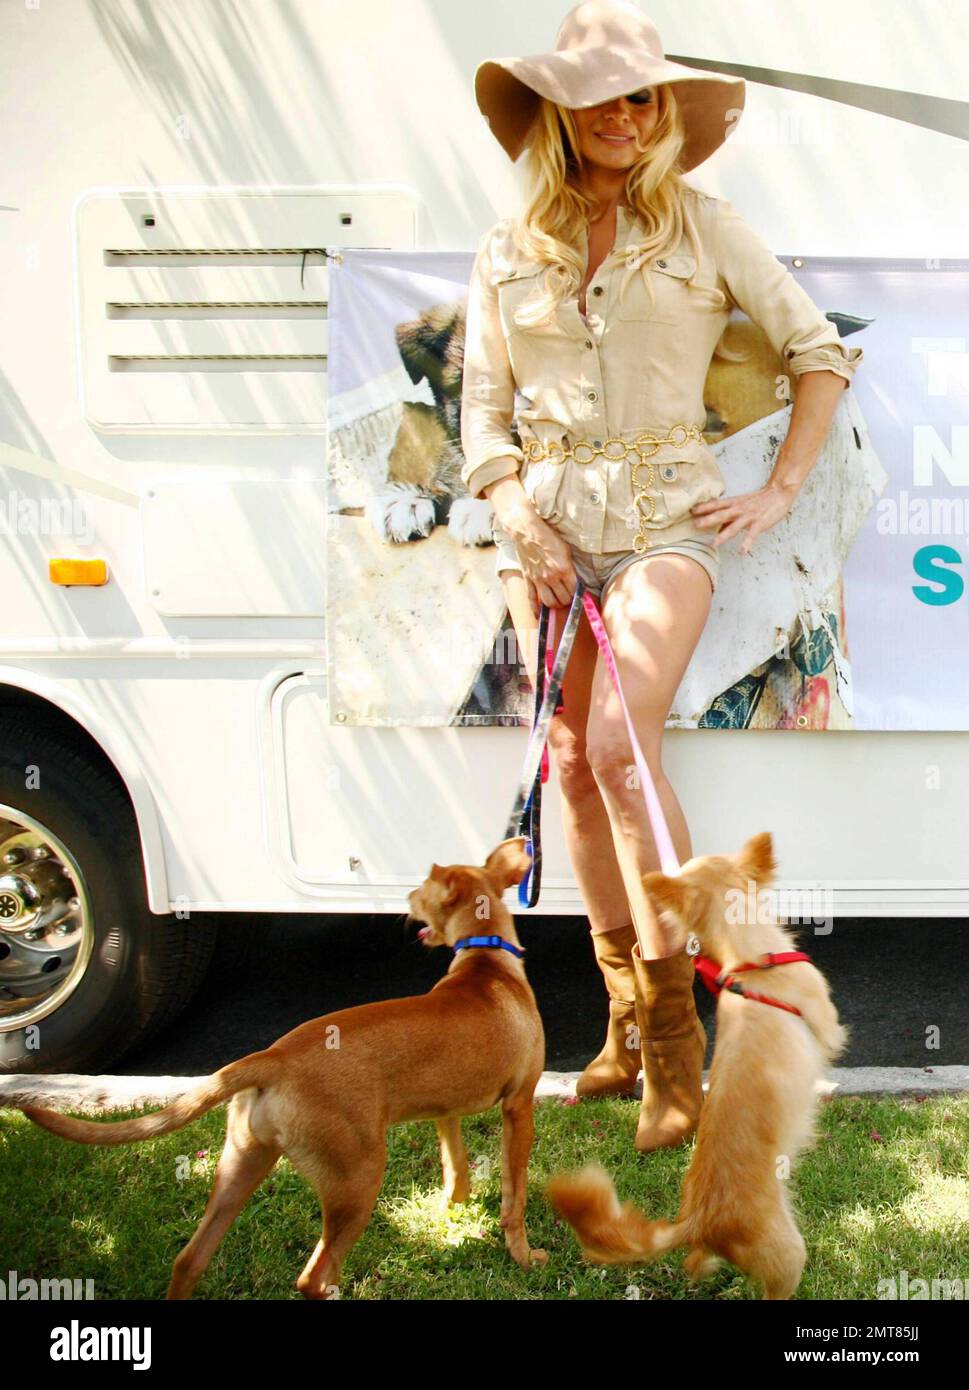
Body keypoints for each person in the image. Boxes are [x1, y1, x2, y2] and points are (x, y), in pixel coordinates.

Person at [460, 1, 863, 1150]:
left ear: (663, 112)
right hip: (543, 532)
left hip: (666, 525)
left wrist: (778, 487)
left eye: (641, 97)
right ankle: (626, 1028)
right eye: (598, 98)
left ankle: (680, 1053)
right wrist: (510, 511)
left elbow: (816, 352)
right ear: (557, 113)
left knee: (617, 756)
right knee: (574, 780)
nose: (623, 117)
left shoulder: (703, 225)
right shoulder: (506, 248)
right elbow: (481, 411)